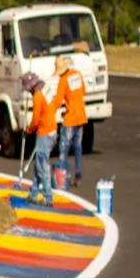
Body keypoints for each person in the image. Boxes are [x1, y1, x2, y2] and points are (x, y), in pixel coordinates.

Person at [51, 54, 87, 187]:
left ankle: (62, 176)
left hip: (70, 118)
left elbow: (58, 101)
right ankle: (78, 175)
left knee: (63, 148)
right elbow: (83, 91)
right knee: (78, 147)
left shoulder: (63, 81)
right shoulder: (77, 74)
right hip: (81, 116)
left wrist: (49, 110)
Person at [22, 71, 56, 206]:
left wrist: (28, 130)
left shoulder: (37, 96)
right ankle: (33, 193)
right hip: (52, 130)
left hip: (44, 133)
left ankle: (48, 197)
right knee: (38, 164)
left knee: (42, 166)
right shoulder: (45, 88)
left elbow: (35, 120)